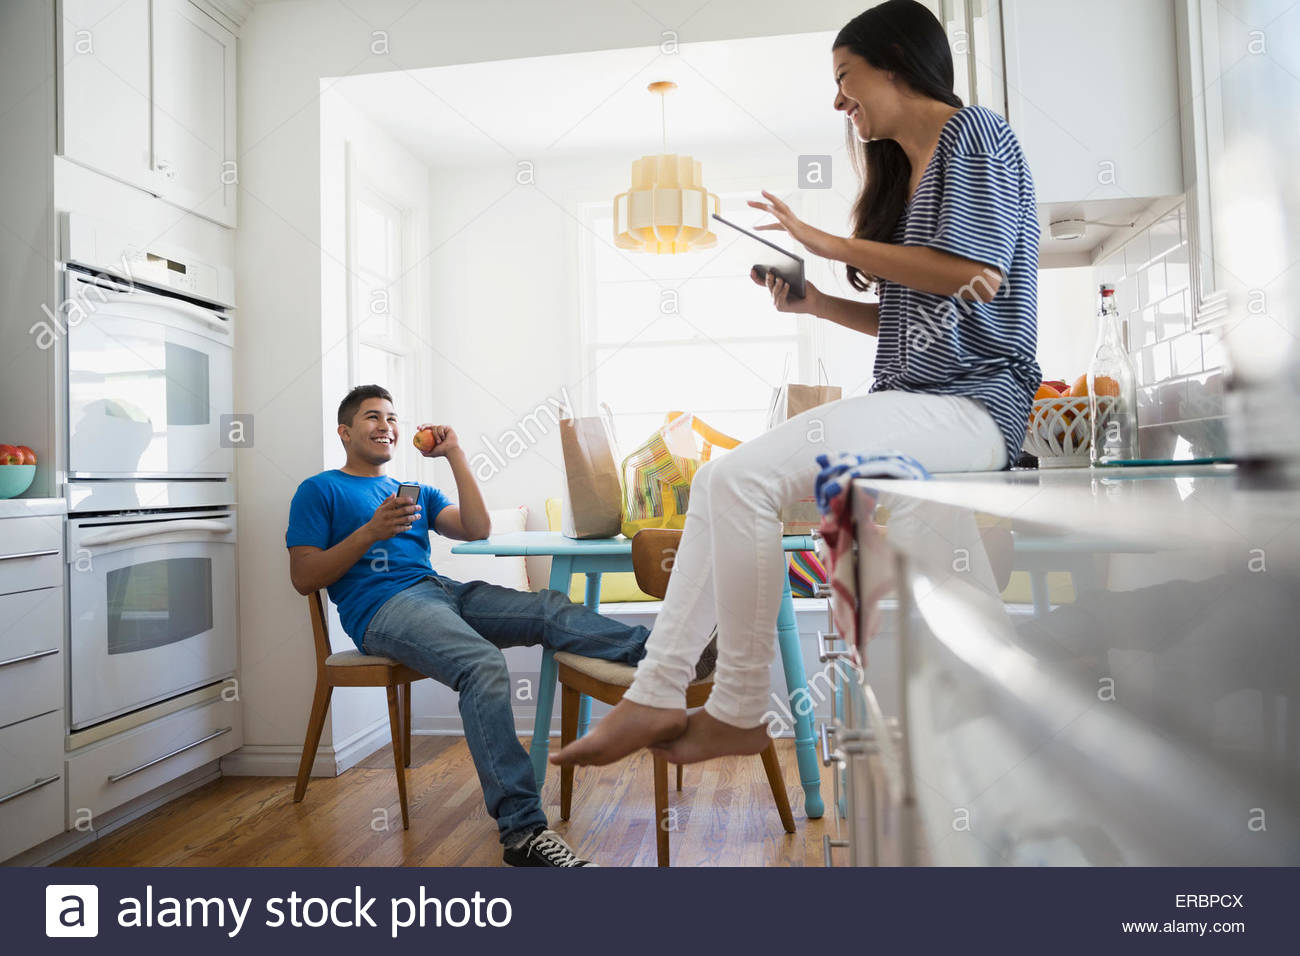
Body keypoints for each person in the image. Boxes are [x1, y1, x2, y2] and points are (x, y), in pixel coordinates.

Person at [552, 0, 1039, 769]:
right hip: (924, 407)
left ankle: (725, 705)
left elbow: (973, 275)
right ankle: (670, 693)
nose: (839, 100)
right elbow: (913, 317)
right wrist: (816, 303)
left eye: (846, 77)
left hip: (975, 407)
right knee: (722, 485)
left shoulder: (975, 134)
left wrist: (826, 242)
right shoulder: (909, 176)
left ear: (897, 62)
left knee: (734, 478)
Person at [286, 384, 655, 867]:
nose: (386, 426)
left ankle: (663, 653)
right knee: (482, 663)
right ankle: (523, 832)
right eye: (372, 417)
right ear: (345, 432)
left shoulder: (412, 492)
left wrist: (455, 454)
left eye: (392, 418)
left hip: (440, 592)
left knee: (547, 608)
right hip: (382, 609)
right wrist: (371, 531)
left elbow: (477, 528)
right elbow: (304, 577)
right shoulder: (319, 490)